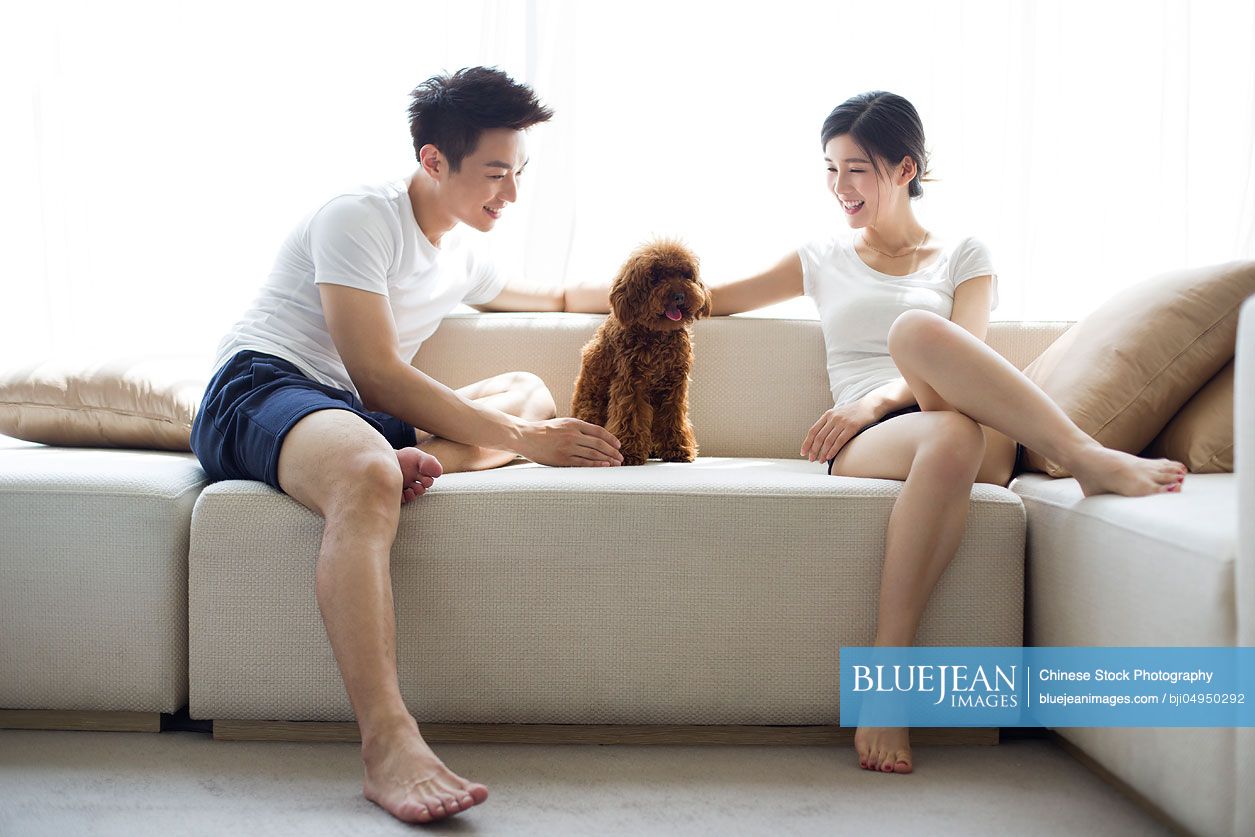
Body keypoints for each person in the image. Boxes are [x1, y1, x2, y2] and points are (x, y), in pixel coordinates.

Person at [704, 91, 1188, 774]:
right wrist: (565, 296)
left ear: (905, 168)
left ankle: (1081, 454)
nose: (840, 187)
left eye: (857, 169)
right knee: (949, 435)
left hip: (952, 417)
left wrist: (875, 399)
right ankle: (887, 680)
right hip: (881, 441)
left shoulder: (963, 253)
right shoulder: (820, 255)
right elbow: (704, 298)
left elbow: (968, 353)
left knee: (920, 340)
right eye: (831, 169)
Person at [190, 66, 622, 825]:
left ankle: (396, 467)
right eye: (496, 173)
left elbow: (556, 296)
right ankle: (388, 741)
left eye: (519, 174)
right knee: (385, 460)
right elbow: (378, 374)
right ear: (433, 160)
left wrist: (680, 290)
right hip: (264, 388)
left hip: (349, 415)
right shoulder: (359, 217)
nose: (511, 194)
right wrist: (526, 443)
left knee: (527, 388)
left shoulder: (464, 251)